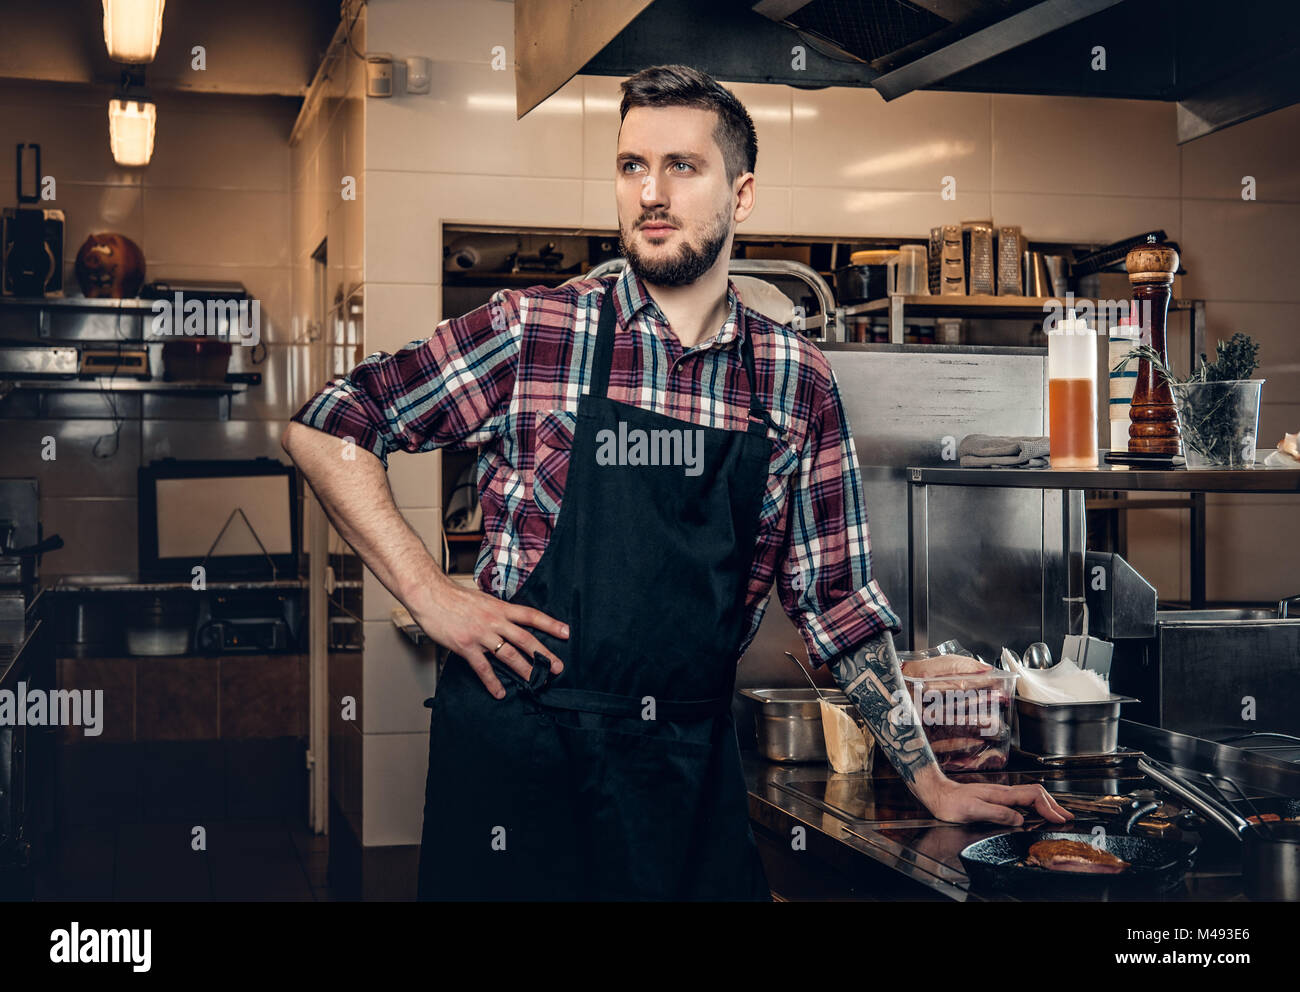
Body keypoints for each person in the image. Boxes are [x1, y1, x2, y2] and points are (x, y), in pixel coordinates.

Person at [281, 63, 1071, 901]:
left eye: (682, 167)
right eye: (631, 166)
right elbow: (328, 423)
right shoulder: (538, 331)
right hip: (518, 765)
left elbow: (836, 603)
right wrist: (429, 591)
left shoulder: (790, 378)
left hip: (681, 774)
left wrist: (930, 781)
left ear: (743, 193)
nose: (650, 193)